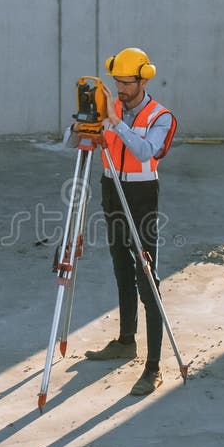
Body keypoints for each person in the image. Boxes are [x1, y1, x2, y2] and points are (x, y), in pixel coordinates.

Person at [63, 47, 174, 396]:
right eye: (117, 82)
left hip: (141, 197)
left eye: (127, 83)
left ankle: (153, 366)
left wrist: (115, 121)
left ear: (143, 79)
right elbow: (71, 142)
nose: (121, 90)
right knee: (121, 268)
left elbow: (145, 151)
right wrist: (82, 123)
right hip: (111, 188)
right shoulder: (112, 111)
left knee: (146, 275)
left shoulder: (161, 116)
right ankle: (126, 341)